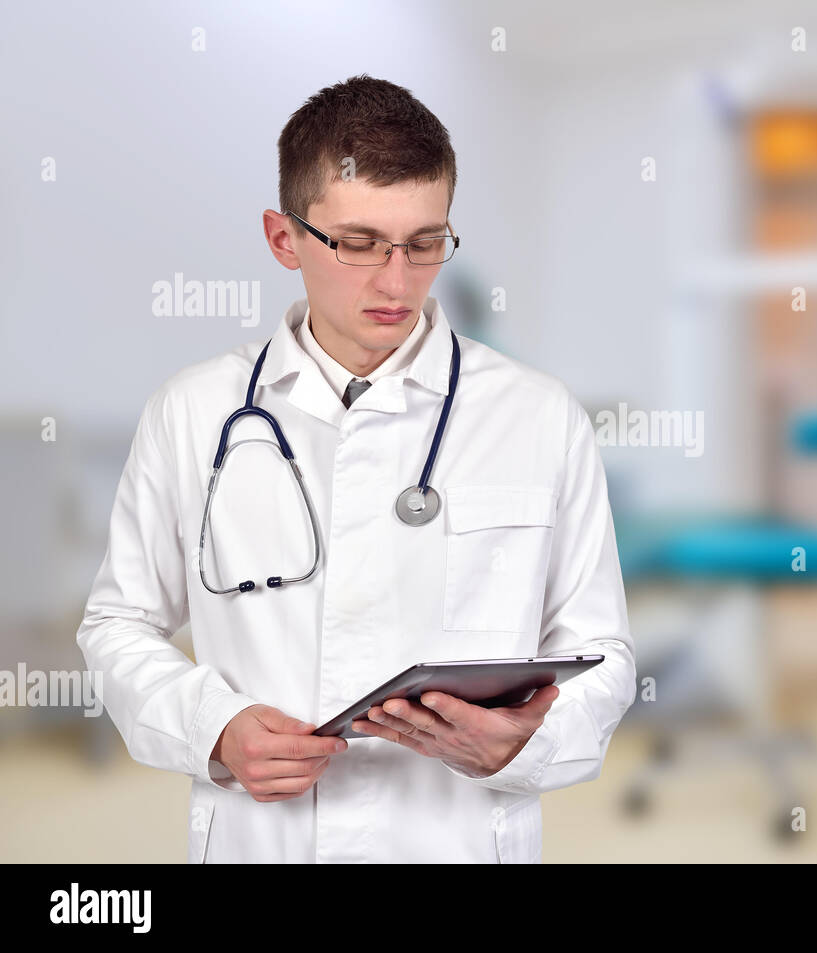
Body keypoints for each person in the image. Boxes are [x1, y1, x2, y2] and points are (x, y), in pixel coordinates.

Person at [75, 74, 636, 863]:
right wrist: (215, 728)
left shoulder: (539, 416)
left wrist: (521, 746)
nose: (396, 280)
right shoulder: (192, 411)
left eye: (425, 242)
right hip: (262, 840)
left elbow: (603, 652)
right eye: (360, 242)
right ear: (284, 238)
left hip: (457, 838)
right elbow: (118, 623)